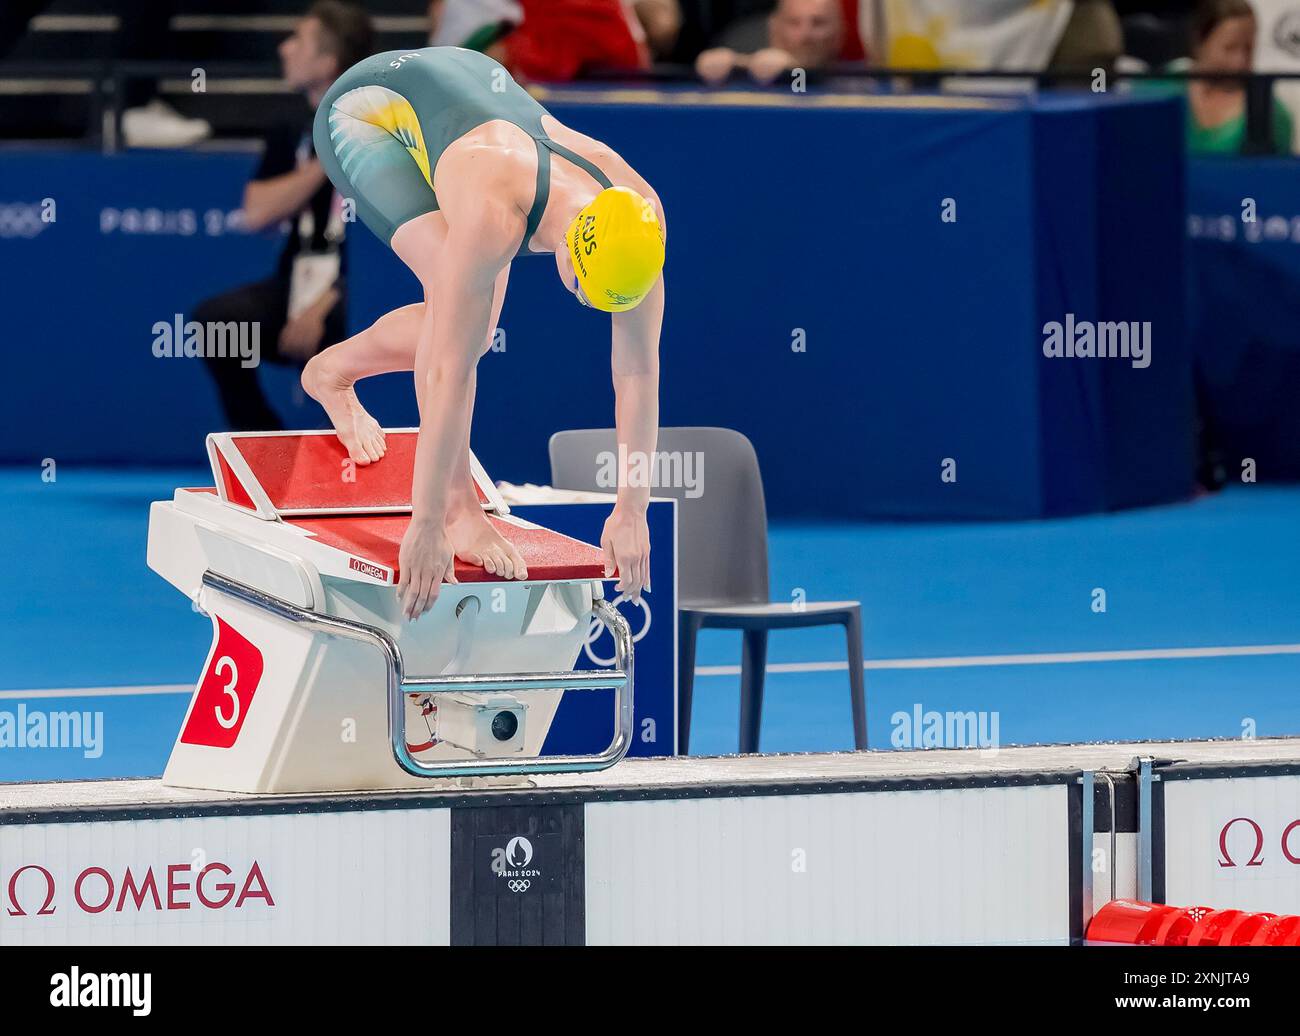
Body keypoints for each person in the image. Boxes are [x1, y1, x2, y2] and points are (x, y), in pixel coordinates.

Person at [304, 47, 666, 619]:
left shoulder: (641, 216)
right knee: (465, 330)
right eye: (580, 291)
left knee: (468, 317)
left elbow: (638, 371)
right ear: (569, 252)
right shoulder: (494, 214)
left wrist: (632, 507)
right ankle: (456, 507)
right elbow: (449, 368)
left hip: (464, 86)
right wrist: (426, 524)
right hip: (370, 112)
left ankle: (332, 370)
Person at [197, 3, 372, 431]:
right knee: (219, 323)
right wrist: (324, 152)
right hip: (295, 280)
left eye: (298, 40)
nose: (284, 47)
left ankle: (361, 453)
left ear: (327, 62)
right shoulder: (291, 130)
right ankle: (264, 449)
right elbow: (257, 213)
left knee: (344, 323)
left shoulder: (375, 127)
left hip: (356, 290)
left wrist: (323, 305)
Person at [696, 0, 844, 85]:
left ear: (840, 31)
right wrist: (732, 65)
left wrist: (792, 72)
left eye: (818, 23)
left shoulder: (851, 81)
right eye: (793, 22)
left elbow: (802, 86)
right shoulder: (740, 56)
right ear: (774, 29)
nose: (805, 35)